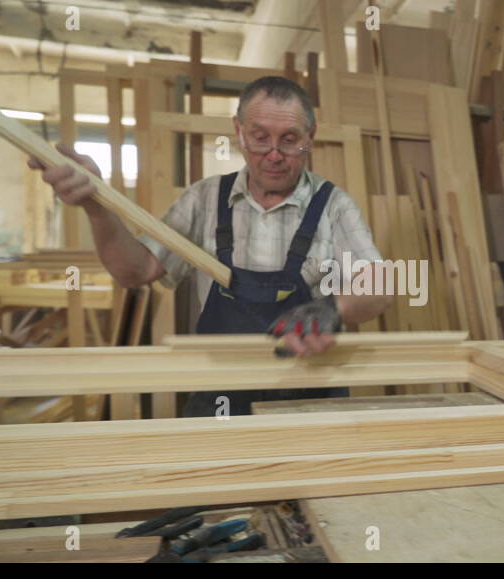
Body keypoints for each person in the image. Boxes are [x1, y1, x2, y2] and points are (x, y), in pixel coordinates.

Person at [29, 76, 391, 416]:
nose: (275, 154)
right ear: (237, 131)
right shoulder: (204, 199)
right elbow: (136, 271)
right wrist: (97, 205)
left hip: (309, 390)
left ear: (310, 136)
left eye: (290, 139)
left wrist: (335, 307)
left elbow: (379, 285)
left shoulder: (334, 205)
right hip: (221, 392)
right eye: (260, 137)